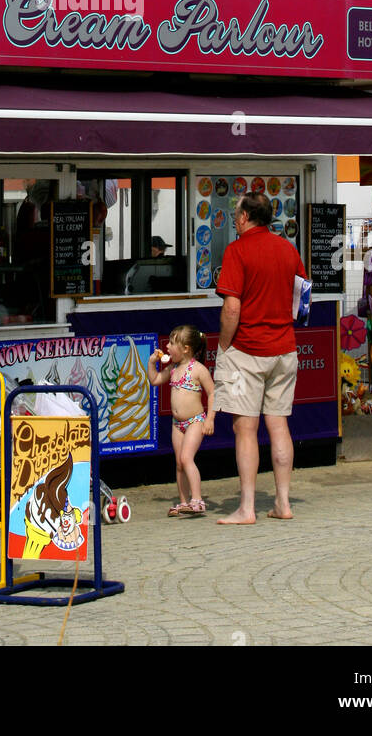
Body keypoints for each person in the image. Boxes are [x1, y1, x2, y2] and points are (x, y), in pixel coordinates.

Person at [214, 192, 303, 525]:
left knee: (246, 429)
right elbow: (302, 300)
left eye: (236, 215)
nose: (236, 220)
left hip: (248, 351)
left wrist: (224, 345)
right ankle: (283, 502)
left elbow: (232, 307)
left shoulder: (237, 250)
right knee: (279, 424)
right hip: (285, 348)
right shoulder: (288, 249)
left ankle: (247, 508)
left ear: (243, 218)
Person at [147, 325, 215, 516]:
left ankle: (197, 500)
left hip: (195, 421)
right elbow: (155, 380)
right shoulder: (173, 368)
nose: (167, 347)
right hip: (177, 424)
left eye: (171, 343)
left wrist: (209, 419)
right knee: (179, 462)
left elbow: (212, 393)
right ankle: (184, 502)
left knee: (187, 458)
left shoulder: (198, 369)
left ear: (185, 348)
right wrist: (152, 364)